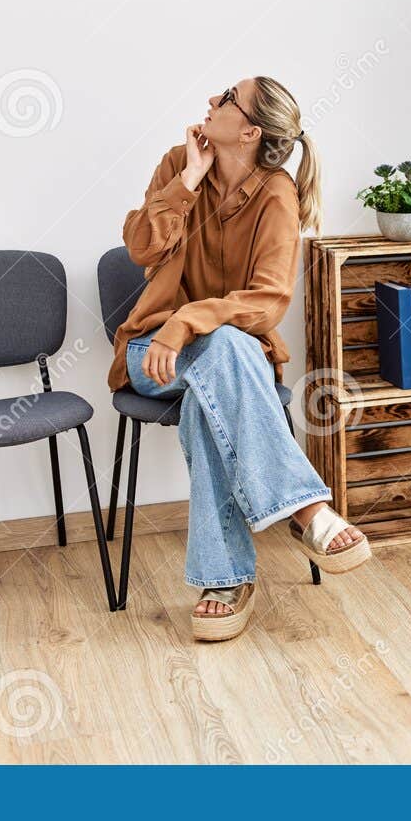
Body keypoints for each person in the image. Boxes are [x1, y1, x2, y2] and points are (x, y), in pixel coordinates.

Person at [109, 75, 369, 641]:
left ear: (250, 130)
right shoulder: (178, 162)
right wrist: (187, 183)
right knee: (225, 356)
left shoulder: (276, 193)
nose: (210, 99)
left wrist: (187, 321)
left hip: (216, 359)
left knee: (215, 383)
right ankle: (307, 511)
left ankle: (224, 582)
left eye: (227, 98)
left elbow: (269, 299)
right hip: (149, 355)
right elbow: (140, 248)